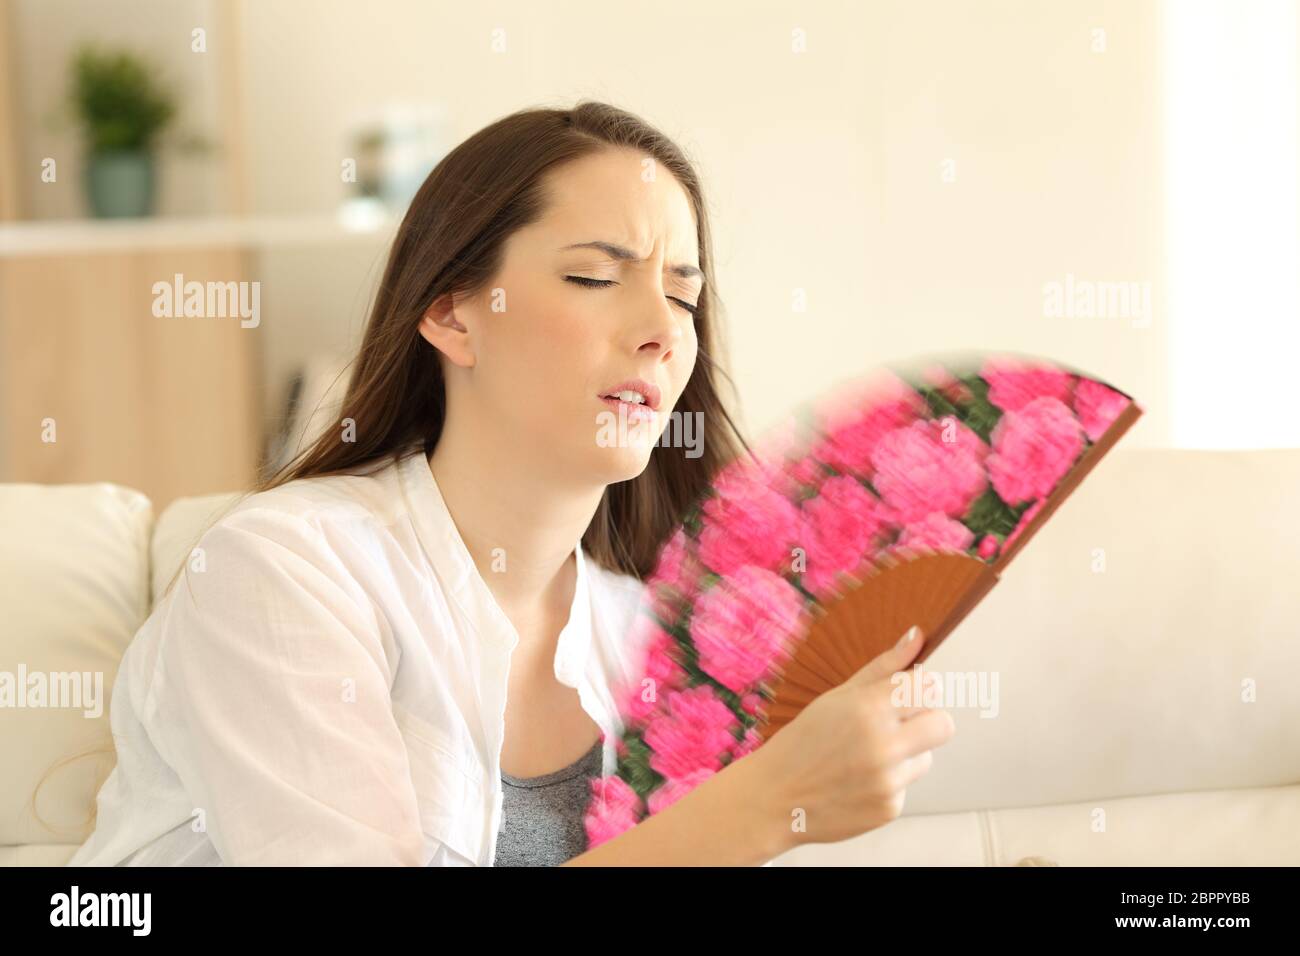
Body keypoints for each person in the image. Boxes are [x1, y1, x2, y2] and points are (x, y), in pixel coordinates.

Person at [65, 101, 954, 867]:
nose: (662, 330)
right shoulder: (283, 574)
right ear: (453, 313)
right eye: (595, 276)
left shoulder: (647, 637)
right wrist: (761, 806)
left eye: (683, 295)